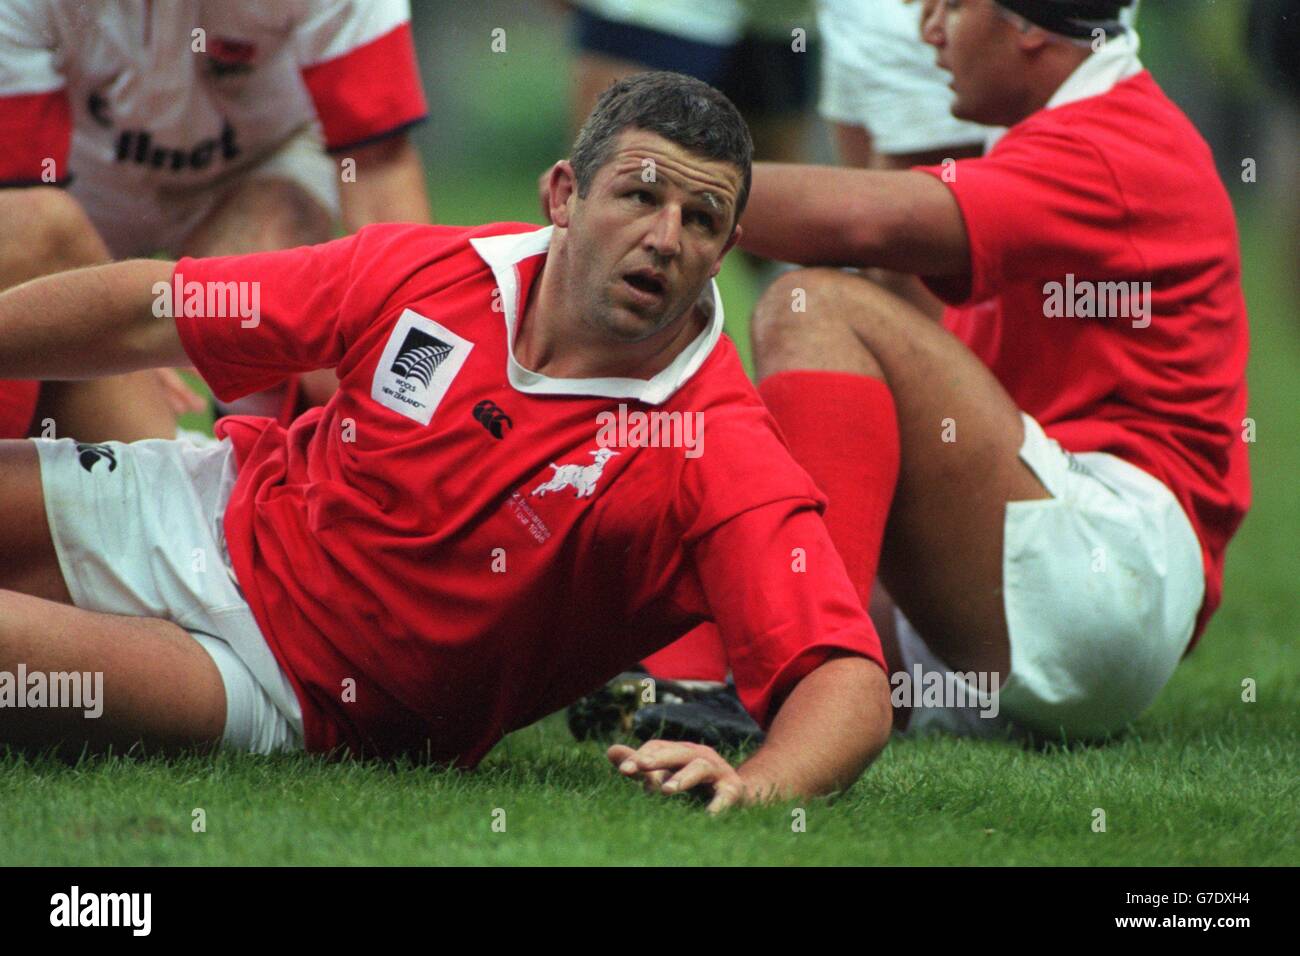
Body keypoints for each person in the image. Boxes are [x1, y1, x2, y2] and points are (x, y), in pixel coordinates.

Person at [0, 72, 892, 812]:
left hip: (282, 684)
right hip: (206, 499)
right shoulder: (440, 270)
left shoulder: (716, 446)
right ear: (565, 196)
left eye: (702, 220)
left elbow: (846, 679)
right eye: (641, 195)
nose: (666, 237)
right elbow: (146, 311)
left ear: (727, 246)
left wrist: (763, 784)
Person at [650, 0, 1251, 741]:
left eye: (949, 7)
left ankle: (791, 685)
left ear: (1029, 27)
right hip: (1046, 576)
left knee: (811, 305)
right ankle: (741, 677)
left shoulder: (1111, 142)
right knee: (692, 599)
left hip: (1099, 572)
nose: (927, 29)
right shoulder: (1062, 131)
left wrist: (652, 189)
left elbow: (868, 222)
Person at [0, 0, 431, 441]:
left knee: (273, 301)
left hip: (255, 165)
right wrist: (105, 323)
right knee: (24, 235)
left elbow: (377, 169)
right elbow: (18, 202)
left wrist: (413, 345)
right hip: (76, 181)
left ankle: (266, 477)